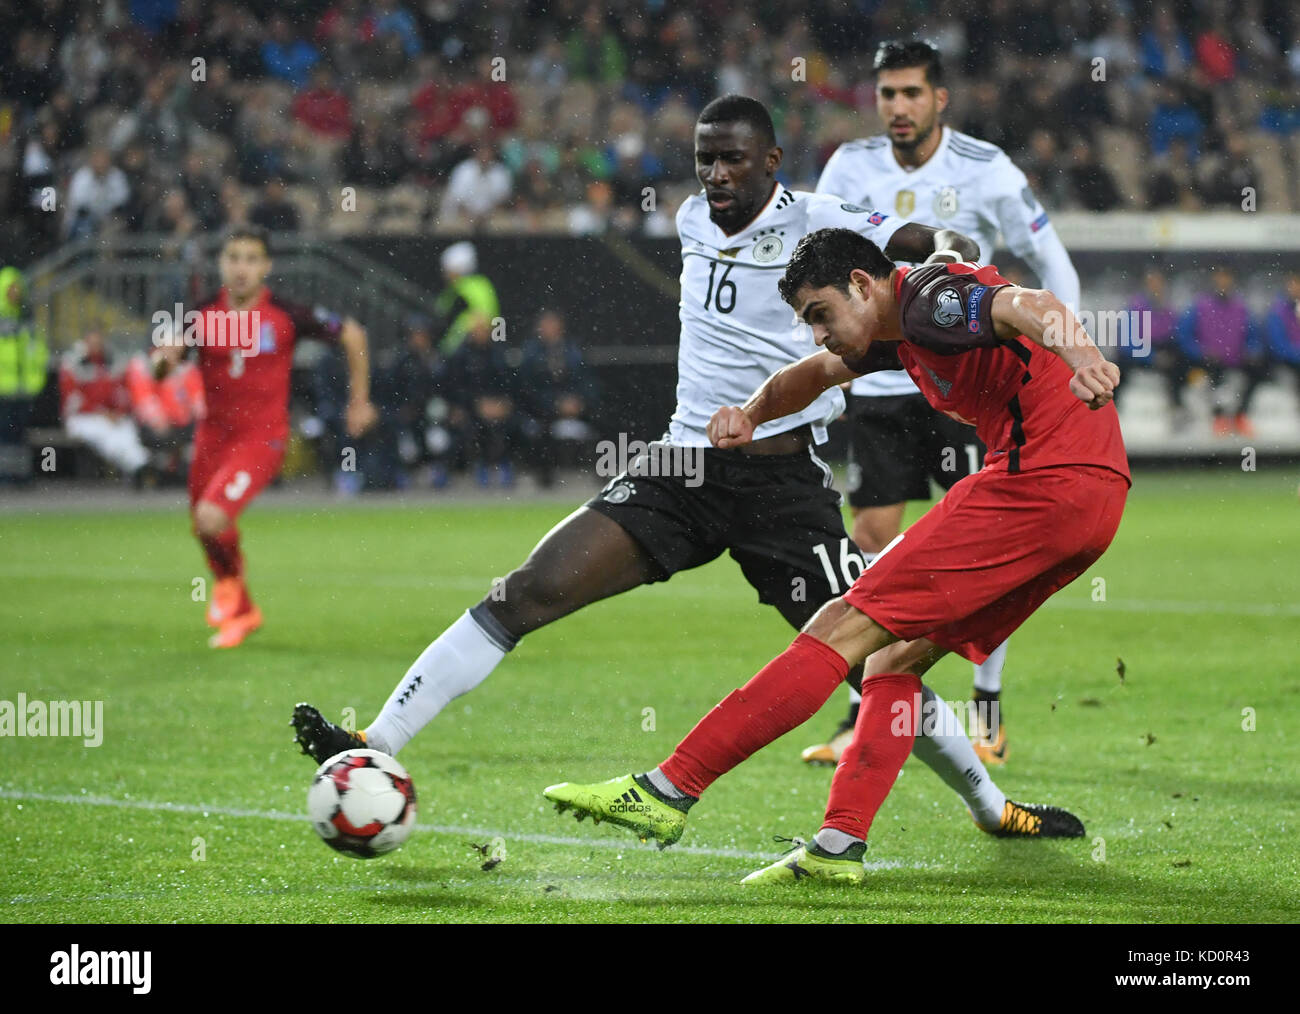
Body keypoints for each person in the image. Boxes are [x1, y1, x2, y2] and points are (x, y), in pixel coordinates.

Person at [293, 96, 1079, 841]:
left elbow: (920, 246)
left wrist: (947, 253)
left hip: (783, 483)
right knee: (525, 590)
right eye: (705, 160)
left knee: (875, 659)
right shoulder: (691, 216)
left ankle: (990, 805)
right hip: (681, 468)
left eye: (733, 161)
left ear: (771, 159)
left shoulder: (822, 221)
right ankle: (375, 740)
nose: (716, 176)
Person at [543, 228, 1129, 883]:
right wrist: (751, 413)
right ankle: (837, 845)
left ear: (861, 284)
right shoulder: (900, 328)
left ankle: (667, 789)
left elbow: (1029, 304)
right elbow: (814, 374)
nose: (818, 332)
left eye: (820, 313)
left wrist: (1083, 356)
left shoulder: (927, 302)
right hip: (1090, 505)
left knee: (838, 627)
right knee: (891, 658)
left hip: (1038, 483)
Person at [807, 40, 1083, 766]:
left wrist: (1065, 346)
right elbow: (822, 259)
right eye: (887, 94)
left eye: (911, 93)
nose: (898, 107)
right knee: (870, 531)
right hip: (885, 379)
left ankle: (986, 706)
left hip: (970, 387)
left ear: (940, 100)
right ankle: (860, 704)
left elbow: (1050, 260)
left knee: (985, 540)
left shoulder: (987, 169)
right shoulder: (849, 166)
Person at [152, 226, 377, 648]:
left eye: (251, 259)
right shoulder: (200, 316)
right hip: (212, 438)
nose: (241, 268)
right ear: (221, 264)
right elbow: (163, 367)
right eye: (234, 258)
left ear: (266, 266)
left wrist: (359, 400)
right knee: (205, 527)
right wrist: (162, 361)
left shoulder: (288, 315)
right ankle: (242, 610)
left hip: (262, 438)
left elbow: (353, 333)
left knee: (212, 517)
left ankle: (230, 588)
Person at [1176, 267, 1263, 437]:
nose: (1223, 282)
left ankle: (1240, 415)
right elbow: (1184, 336)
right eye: (1220, 278)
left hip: (1237, 360)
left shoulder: (1241, 308)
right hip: (1209, 361)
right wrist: (1202, 352)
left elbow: (1254, 336)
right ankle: (1219, 417)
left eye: (1226, 278)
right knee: (1208, 378)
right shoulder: (1200, 307)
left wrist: (1251, 351)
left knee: (1257, 372)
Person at [60, 329, 149, 481]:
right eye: (92, 343)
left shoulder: (109, 362)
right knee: (105, 433)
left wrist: (117, 412)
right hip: (81, 418)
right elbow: (73, 401)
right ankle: (137, 467)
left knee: (126, 427)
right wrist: (100, 412)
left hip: (108, 416)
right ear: (84, 343)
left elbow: (119, 394)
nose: (95, 347)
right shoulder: (73, 364)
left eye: (98, 343)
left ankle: (141, 465)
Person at [0, 266, 49, 484]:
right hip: (4, 387)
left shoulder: (26, 320)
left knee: (20, 434)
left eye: (17, 288)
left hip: (23, 389)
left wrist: (35, 381)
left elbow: (37, 352)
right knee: (5, 435)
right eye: (11, 289)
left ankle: (19, 474)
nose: (15, 293)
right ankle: (5, 474)